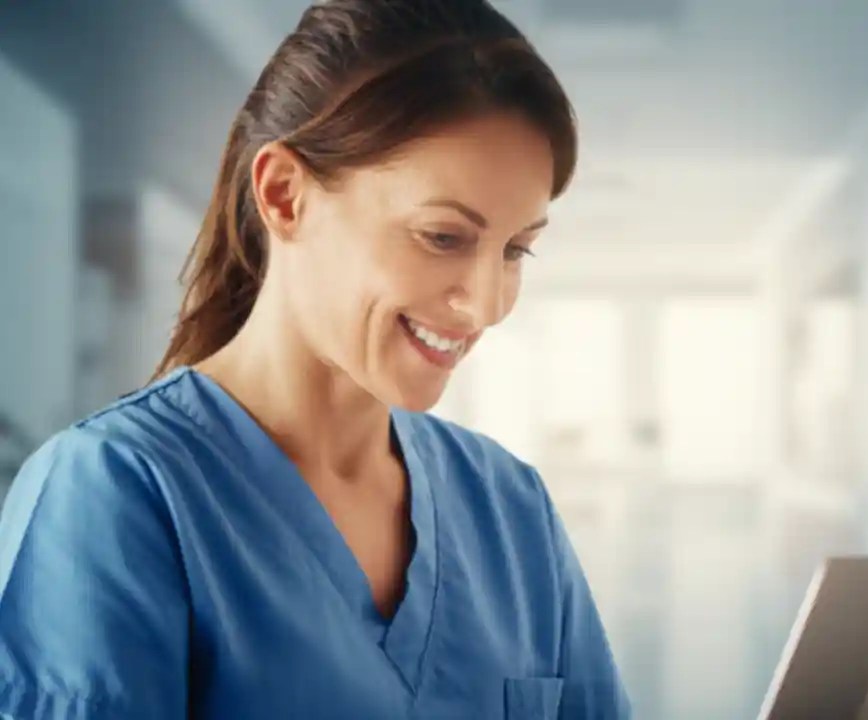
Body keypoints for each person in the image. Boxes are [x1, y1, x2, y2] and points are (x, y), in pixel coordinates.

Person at [0, 1, 631, 717]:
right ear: (284, 195)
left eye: (516, 250)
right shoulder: (117, 493)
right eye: (442, 237)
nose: (487, 305)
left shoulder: (512, 512)